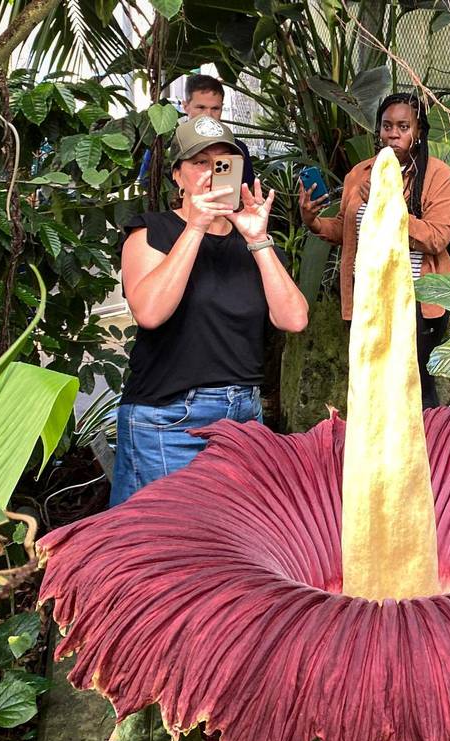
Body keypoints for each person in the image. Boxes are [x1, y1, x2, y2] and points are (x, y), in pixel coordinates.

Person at [111, 115, 308, 506]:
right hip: (167, 421)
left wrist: (259, 239)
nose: (212, 173)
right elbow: (150, 312)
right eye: (200, 163)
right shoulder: (151, 231)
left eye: (223, 163)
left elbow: (293, 319)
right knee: (165, 546)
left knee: (232, 545)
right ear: (178, 177)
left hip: (243, 419)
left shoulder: (252, 241)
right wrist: (196, 227)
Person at [298, 92, 450, 408]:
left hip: (415, 298)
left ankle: (429, 453)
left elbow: (437, 238)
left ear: (419, 131)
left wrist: (388, 205)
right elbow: (348, 228)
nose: (394, 134)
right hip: (369, 295)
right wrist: (314, 223)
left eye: (403, 126)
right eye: (387, 126)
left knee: (415, 390)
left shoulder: (437, 175)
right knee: (373, 387)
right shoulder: (360, 174)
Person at [138, 74, 255, 187]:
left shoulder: (237, 147)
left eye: (215, 108)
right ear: (185, 106)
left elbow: (245, 189)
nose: (208, 114)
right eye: (201, 107)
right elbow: (147, 182)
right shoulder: (164, 145)